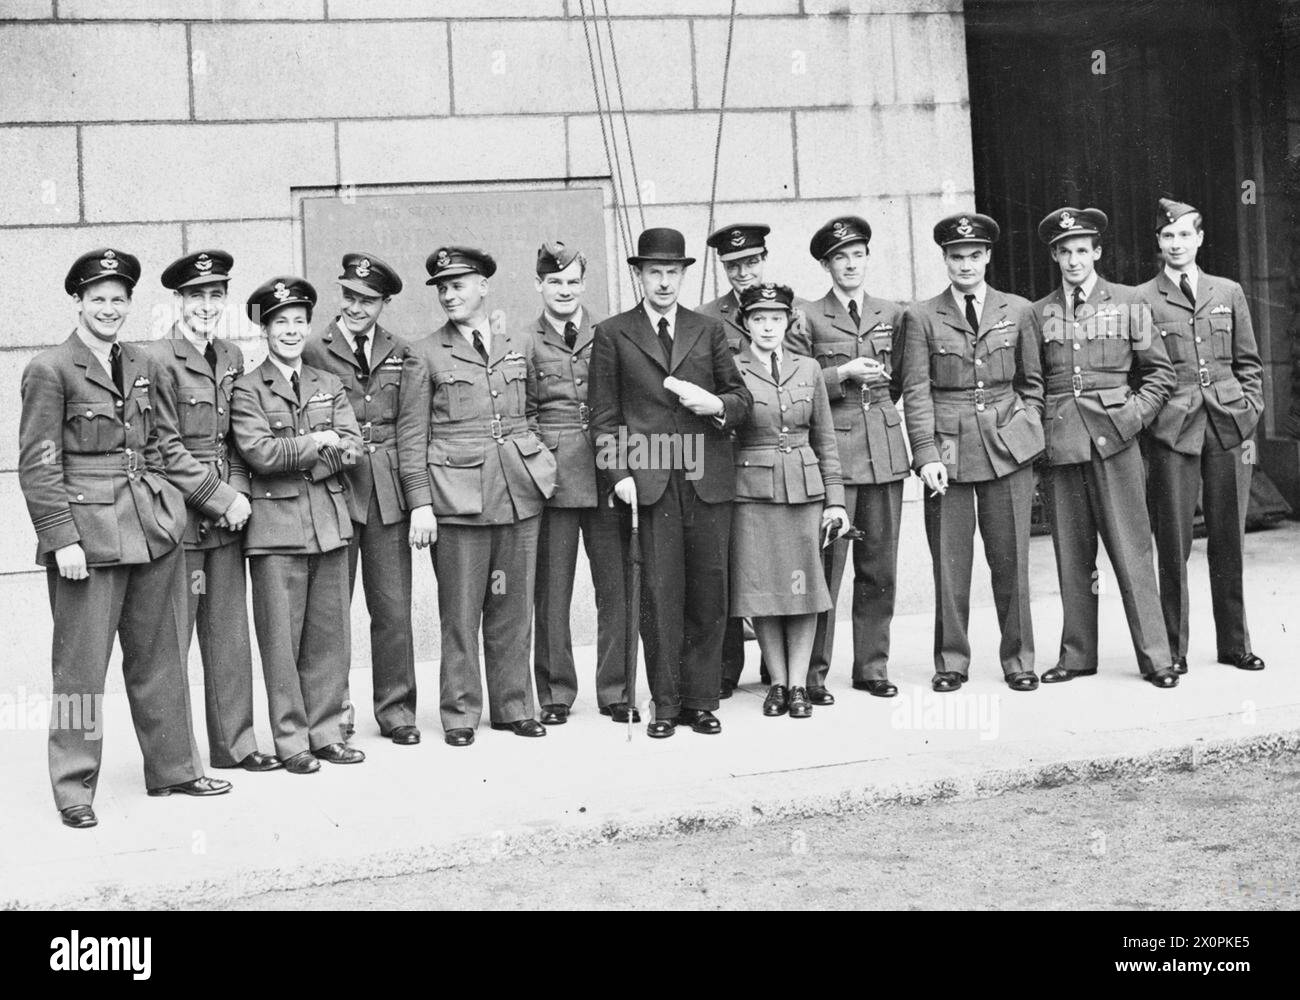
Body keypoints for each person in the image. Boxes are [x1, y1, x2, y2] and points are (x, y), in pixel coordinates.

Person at [19, 248, 233, 829]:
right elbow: (39, 463)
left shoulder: (144, 362)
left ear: (130, 304)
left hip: (152, 530)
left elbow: (165, 447)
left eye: (119, 299)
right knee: (81, 669)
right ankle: (74, 787)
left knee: (161, 656)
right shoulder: (51, 368)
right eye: (98, 299)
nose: (109, 308)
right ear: (78, 303)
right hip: (86, 541)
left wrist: (209, 499)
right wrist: (60, 536)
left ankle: (174, 769)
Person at [587, 227, 753, 738]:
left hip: (706, 476)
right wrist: (618, 474)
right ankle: (663, 705)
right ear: (638, 274)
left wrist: (717, 406)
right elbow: (603, 415)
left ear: (684, 275)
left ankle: (700, 701)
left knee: (708, 591)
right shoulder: (614, 333)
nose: (664, 282)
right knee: (660, 594)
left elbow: (740, 399)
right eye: (654, 272)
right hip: (650, 479)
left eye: (673, 272)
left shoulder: (708, 330)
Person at [398, 246, 557, 748]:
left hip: (517, 492)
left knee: (513, 607)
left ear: (484, 286)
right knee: (461, 613)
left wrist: (539, 466)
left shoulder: (518, 343)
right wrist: (420, 503)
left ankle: (514, 706)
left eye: (458, 285)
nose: (449, 294)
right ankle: (461, 712)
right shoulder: (424, 354)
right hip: (458, 500)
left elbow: (530, 411)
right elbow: (411, 436)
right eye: (442, 287)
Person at [1027, 207, 1179, 687]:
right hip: (1062, 444)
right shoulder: (1038, 312)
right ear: (1055, 256)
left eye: (1082, 251)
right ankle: (1077, 656)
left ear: (1097, 252)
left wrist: (1131, 419)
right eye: (1064, 252)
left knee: (1133, 550)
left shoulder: (1130, 303)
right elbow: (1033, 383)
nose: (1074, 260)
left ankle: (1157, 657)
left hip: (1115, 443)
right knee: (1073, 556)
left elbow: (1160, 375)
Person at [901, 213, 1044, 693]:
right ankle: (951, 661)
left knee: (1012, 561)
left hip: (1006, 447)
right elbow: (916, 391)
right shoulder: (921, 315)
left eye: (973, 256)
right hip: (948, 452)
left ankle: (1019, 658)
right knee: (950, 562)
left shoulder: (1018, 310)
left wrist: (1026, 430)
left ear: (987, 257)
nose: (965, 265)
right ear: (944, 259)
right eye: (955, 257)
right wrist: (925, 455)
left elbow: (1033, 384)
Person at [150, 250, 279, 773]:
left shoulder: (230, 356)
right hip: (181, 519)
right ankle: (177, 763)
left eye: (215, 296)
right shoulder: (157, 359)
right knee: (172, 643)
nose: (206, 305)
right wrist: (223, 499)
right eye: (196, 296)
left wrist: (237, 501)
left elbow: (240, 441)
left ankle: (236, 746)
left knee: (228, 638)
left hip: (228, 519)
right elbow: (165, 447)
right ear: (178, 301)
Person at [231, 276, 366, 772]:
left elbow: (353, 448)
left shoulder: (328, 384)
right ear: (265, 331)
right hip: (276, 531)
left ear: (309, 326)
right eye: (280, 323)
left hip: (329, 524)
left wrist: (320, 450)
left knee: (329, 637)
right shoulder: (247, 389)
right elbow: (259, 453)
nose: (290, 331)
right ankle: (292, 742)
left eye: (298, 322)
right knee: (282, 642)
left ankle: (328, 732)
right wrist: (319, 441)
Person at [1137, 198, 1265, 673]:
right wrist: (1155, 422)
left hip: (1227, 428)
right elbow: (1137, 372)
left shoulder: (1227, 291)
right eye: (1168, 236)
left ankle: (1234, 644)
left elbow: (1249, 363)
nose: (1176, 244)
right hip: (1174, 431)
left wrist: (1248, 412)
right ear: (1158, 242)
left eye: (1185, 235)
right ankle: (1172, 649)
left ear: (1200, 238)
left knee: (1228, 538)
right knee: (1173, 543)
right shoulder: (1142, 299)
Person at [302, 252, 420, 745]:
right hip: (336, 489)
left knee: (392, 608)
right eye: (349, 297)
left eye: (367, 301)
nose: (355, 308)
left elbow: (412, 428)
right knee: (331, 612)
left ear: (384, 303)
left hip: (387, 494)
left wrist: (419, 501)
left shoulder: (402, 350)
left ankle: (396, 711)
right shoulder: (313, 349)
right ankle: (333, 715)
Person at [527, 241, 634, 726]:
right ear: (539, 286)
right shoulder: (524, 342)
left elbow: (625, 406)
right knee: (552, 594)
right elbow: (524, 415)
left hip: (608, 475)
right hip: (554, 481)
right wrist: (541, 469)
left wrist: (621, 471)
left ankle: (617, 689)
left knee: (617, 589)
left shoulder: (609, 334)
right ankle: (555, 692)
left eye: (572, 282)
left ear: (584, 285)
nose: (564, 291)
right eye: (555, 282)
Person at [728, 283, 848, 718]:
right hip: (753, 495)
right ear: (745, 324)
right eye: (758, 318)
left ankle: (799, 685)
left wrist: (835, 500)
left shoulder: (809, 368)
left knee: (803, 589)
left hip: (803, 491)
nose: (767, 327)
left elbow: (826, 439)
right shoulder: (732, 368)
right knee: (764, 591)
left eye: (776, 318)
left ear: (788, 322)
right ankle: (777, 683)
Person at [803, 216, 910, 701]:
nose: (850, 264)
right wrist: (841, 373)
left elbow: (906, 377)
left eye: (858, 254)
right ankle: (813, 672)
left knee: (879, 568)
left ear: (868, 259)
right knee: (828, 570)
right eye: (840, 257)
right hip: (837, 459)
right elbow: (798, 385)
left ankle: (872, 666)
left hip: (884, 454)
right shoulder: (807, 317)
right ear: (827, 265)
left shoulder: (894, 313)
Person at [698, 222, 807, 697]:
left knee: (787, 567)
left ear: (764, 260)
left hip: (782, 454)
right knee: (737, 567)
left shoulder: (790, 311)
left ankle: (781, 675)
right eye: (734, 265)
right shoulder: (705, 318)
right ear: (723, 267)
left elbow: (804, 374)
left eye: (751, 262)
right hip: (730, 457)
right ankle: (726, 669)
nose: (743, 272)